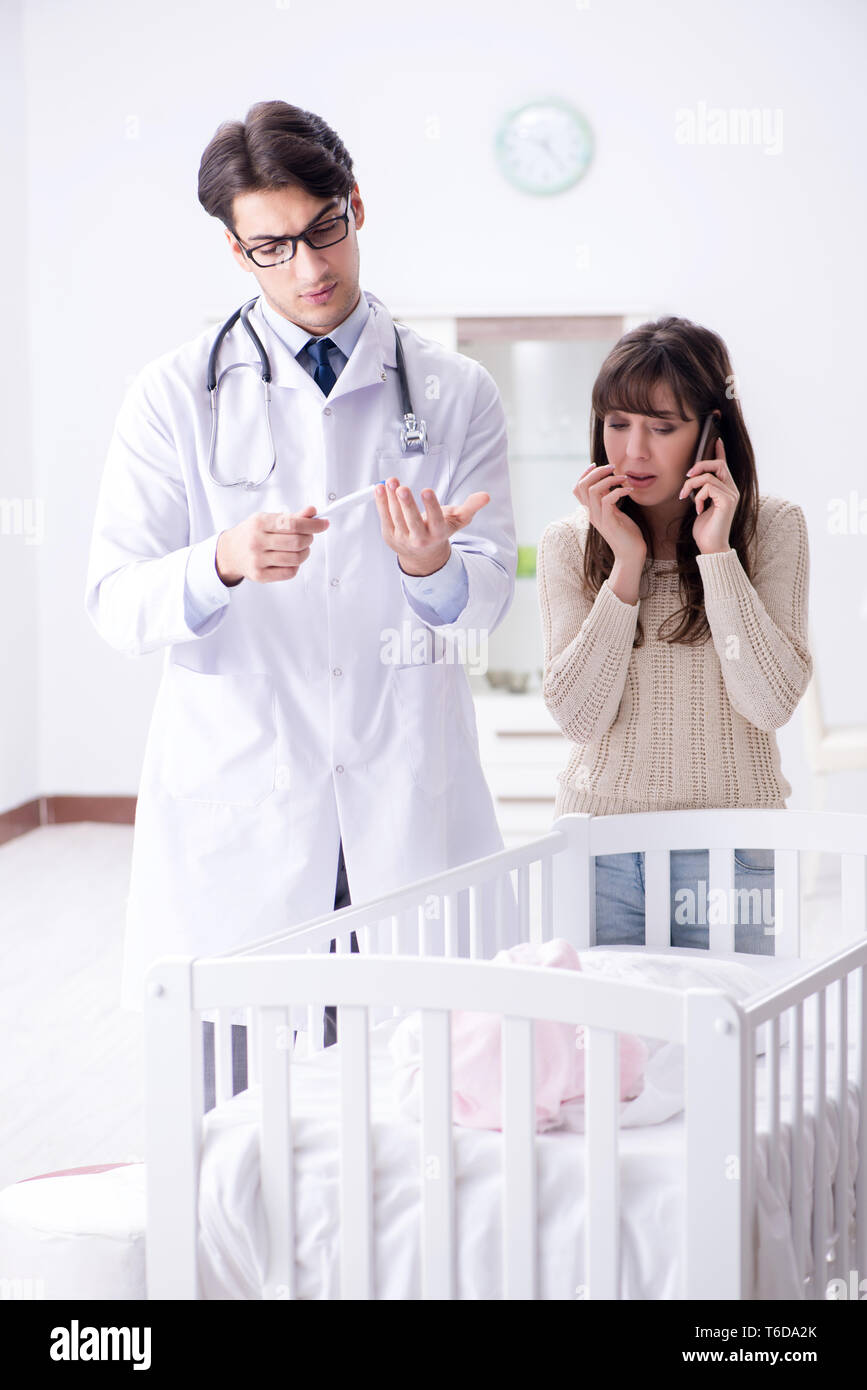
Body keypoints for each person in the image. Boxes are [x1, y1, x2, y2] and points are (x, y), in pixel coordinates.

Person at [85, 100, 516, 1101]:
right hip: (245, 787)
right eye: (272, 247)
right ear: (237, 252)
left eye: (325, 229)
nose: (309, 268)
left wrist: (430, 570)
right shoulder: (173, 396)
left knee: (422, 1085)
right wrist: (221, 561)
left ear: (356, 206)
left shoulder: (453, 393)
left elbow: (487, 598)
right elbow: (116, 600)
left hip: (404, 786)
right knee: (237, 1095)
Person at [537, 316, 812, 953]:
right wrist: (626, 568)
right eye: (617, 424)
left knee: (733, 1045)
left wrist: (716, 555)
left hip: (730, 852)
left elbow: (769, 701)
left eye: (662, 428)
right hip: (598, 849)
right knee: (605, 1049)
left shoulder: (772, 529)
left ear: (712, 431)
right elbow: (579, 717)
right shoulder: (569, 543)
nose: (633, 452)